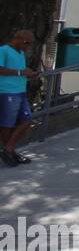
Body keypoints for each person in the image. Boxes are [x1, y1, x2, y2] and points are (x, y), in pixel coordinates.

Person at [0, 29, 39, 166]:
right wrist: (20, 72)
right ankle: (10, 152)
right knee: (7, 124)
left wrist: (29, 75)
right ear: (18, 39)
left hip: (21, 91)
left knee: (26, 120)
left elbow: (20, 71)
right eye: (27, 43)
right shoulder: (3, 50)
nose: (28, 46)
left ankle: (8, 149)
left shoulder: (21, 53)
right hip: (7, 92)